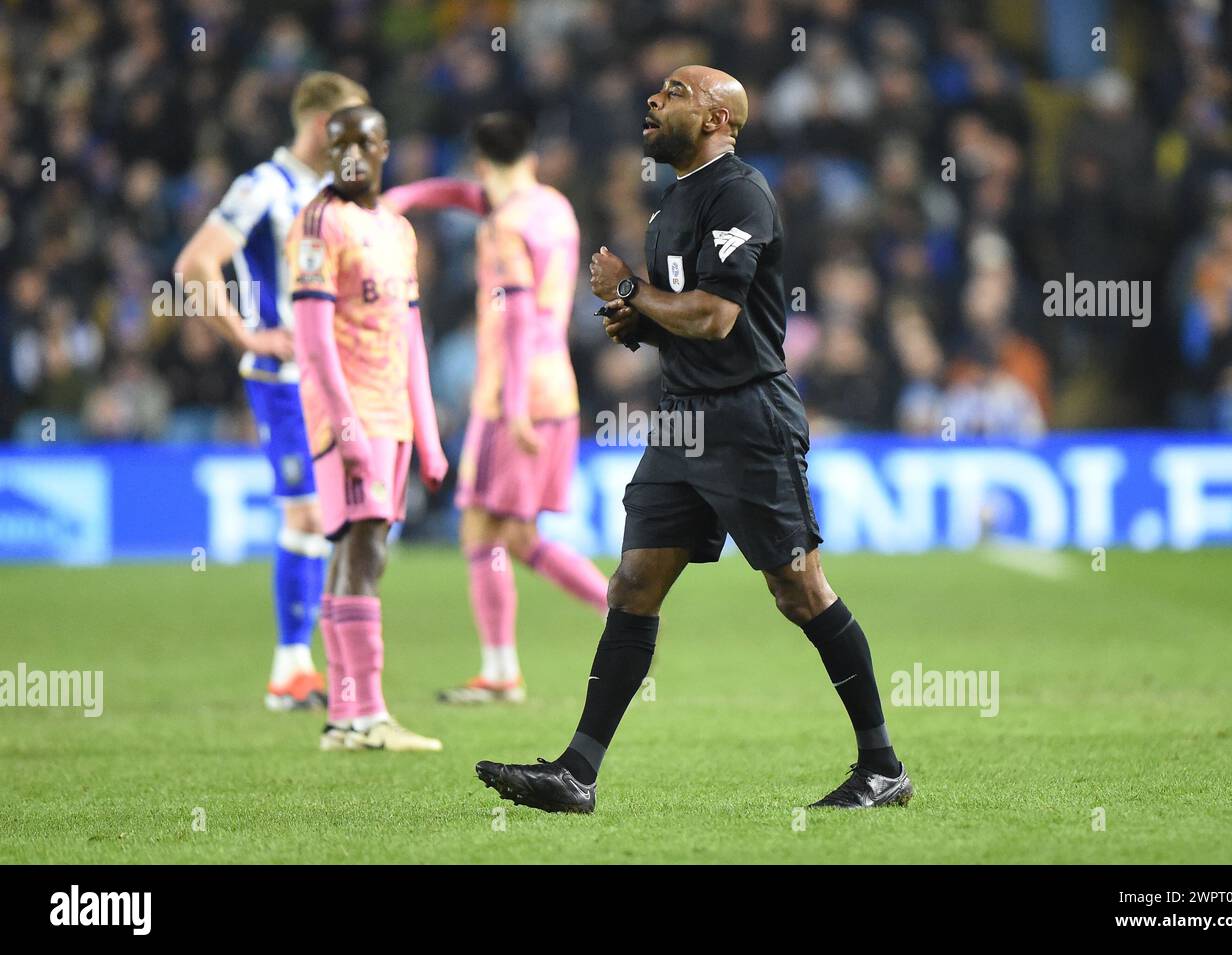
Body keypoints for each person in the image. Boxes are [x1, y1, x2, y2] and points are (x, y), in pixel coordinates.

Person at [475, 67, 912, 812]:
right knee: (633, 583)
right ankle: (577, 772)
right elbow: (682, 316)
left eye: (675, 91)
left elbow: (715, 317)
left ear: (717, 118)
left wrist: (627, 291)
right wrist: (639, 321)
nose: (654, 98)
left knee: (799, 588)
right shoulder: (670, 206)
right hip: (683, 419)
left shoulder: (741, 192)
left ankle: (882, 766)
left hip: (748, 419)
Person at [384, 113, 607, 704]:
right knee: (515, 531)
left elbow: (515, 318)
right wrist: (405, 195)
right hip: (557, 385)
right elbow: (464, 194)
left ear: (480, 163)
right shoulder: (554, 207)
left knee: (485, 529)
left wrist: (510, 410)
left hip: (510, 393)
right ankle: (609, 615)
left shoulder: (500, 230)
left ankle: (510, 667)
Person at [173, 72, 369, 710]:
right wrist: (246, 336)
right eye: (349, 129)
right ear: (320, 127)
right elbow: (195, 263)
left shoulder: (336, 195)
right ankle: (290, 667)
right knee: (306, 513)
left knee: (329, 522)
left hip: (337, 380)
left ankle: (305, 668)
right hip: (283, 380)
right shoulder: (264, 186)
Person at [287, 105, 448, 751]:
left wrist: (429, 434)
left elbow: (410, 336)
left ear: (386, 149)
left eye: (365, 141)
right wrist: (346, 425)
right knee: (364, 549)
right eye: (338, 142)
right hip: (349, 409)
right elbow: (312, 337)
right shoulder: (319, 222)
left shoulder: (397, 229)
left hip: (393, 414)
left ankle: (344, 718)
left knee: (358, 548)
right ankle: (368, 714)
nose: (352, 152)